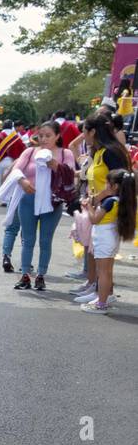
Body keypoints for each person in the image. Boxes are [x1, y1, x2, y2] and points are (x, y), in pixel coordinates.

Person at [5, 121, 75, 291]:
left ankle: (41, 275)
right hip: (28, 198)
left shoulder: (65, 153)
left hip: (52, 202)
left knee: (45, 240)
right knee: (27, 239)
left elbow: (70, 174)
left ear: (57, 136)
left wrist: (55, 165)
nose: (43, 139)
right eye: (40, 135)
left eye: (48, 135)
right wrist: (22, 181)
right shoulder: (29, 151)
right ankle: (25, 275)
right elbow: (16, 169)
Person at [73, 112, 133, 302]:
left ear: (93, 132)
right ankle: (98, 289)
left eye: (84, 131)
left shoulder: (110, 152)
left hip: (108, 211)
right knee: (95, 252)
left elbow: (122, 181)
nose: (82, 136)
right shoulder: (98, 152)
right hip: (97, 207)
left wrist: (100, 197)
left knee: (103, 258)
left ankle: (103, 297)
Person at [80, 168, 137, 312]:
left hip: (104, 238)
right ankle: (104, 299)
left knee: (103, 272)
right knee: (107, 271)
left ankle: (101, 304)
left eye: (107, 183)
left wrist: (88, 206)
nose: (105, 185)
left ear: (115, 186)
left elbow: (94, 219)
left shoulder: (109, 202)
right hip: (112, 238)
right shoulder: (122, 201)